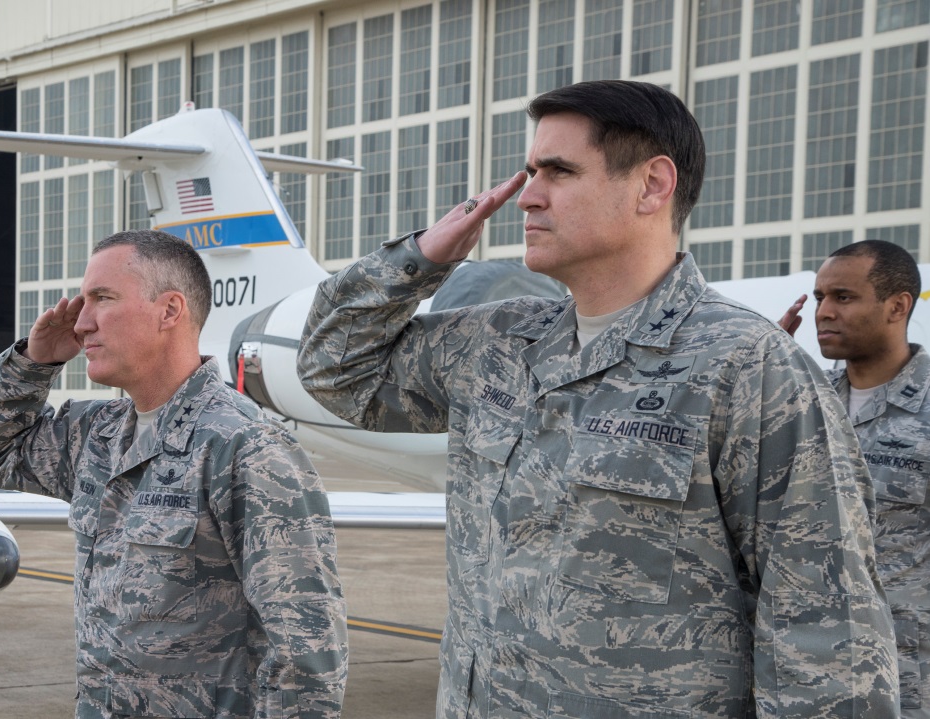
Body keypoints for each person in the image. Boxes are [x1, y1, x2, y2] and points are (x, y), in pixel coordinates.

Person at [298, 80, 898, 717]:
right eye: (531, 172)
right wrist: (416, 261)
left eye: (558, 171)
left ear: (651, 185)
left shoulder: (747, 368)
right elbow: (336, 369)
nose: (527, 197)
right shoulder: (497, 343)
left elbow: (828, 632)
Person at [0, 229, 347, 719]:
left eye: (102, 298)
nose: (80, 323)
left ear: (169, 311)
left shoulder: (246, 449)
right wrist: (32, 364)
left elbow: (304, 649)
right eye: (83, 303)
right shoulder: (96, 436)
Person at [780, 240, 929, 717]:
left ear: (897, 306)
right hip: (806, 673)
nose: (823, 311)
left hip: (907, 680)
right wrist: (759, 373)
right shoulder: (801, 400)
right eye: (819, 296)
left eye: (843, 297)